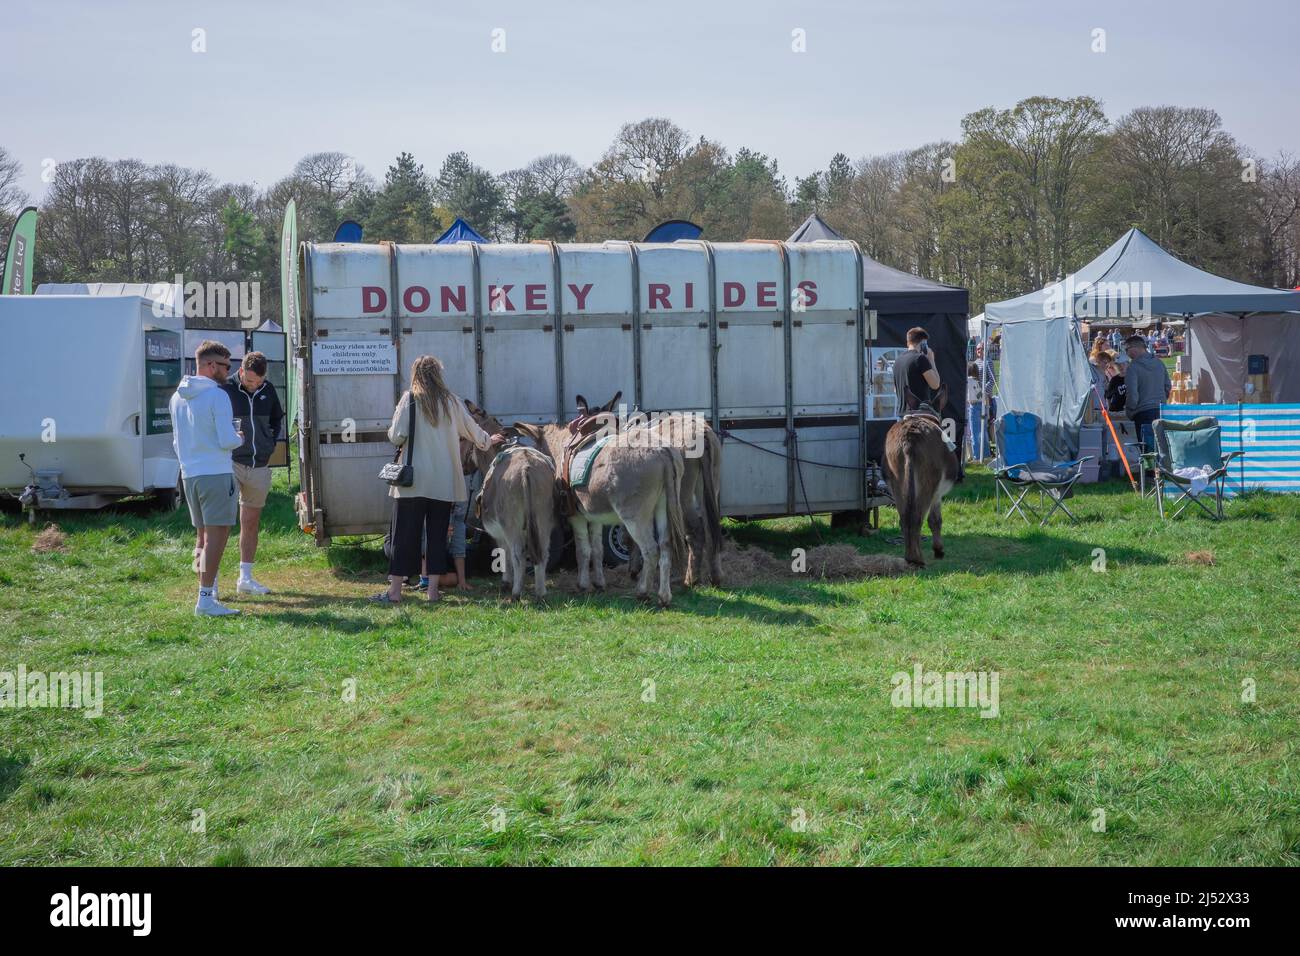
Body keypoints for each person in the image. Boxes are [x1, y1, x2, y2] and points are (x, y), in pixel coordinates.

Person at [374, 356, 503, 605]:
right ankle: (433, 592)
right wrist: (489, 441)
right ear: (438, 374)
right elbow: (473, 432)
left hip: (413, 483)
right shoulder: (452, 402)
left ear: (416, 374)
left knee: (404, 537)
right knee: (437, 538)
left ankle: (395, 592)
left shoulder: (409, 399)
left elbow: (396, 436)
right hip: (444, 483)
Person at [171, 340, 244, 616]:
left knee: (201, 537)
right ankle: (205, 599)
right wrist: (239, 438)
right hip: (215, 472)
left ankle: (207, 590)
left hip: (189, 473)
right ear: (211, 365)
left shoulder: (177, 396)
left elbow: (176, 442)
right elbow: (226, 439)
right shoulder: (217, 395)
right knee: (217, 536)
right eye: (226, 365)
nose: (230, 371)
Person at [222, 351, 283, 596]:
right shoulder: (226, 390)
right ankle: (210, 583)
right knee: (220, 523)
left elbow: (277, 418)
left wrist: (269, 441)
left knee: (251, 522)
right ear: (240, 371)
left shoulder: (268, 390)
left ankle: (245, 578)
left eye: (257, 382)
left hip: (259, 465)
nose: (253, 385)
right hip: (231, 462)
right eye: (248, 381)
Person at [1124, 334, 1171, 452]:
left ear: (1134, 348)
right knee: (1162, 450)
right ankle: (1161, 471)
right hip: (1160, 410)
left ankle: (1149, 471)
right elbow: (1167, 387)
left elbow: (1132, 395)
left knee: (1148, 453)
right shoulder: (1159, 363)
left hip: (1143, 413)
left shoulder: (1133, 367)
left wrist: (1129, 411)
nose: (1126, 353)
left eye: (1126, 349)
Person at [893, 326, 941, 413]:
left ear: (908, 342)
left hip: (902, 414)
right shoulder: (920, 359)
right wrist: (931, 360)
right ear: (923, 343)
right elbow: (935, 384)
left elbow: (895, 389)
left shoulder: (897, 360)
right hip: (920, 413)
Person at [965, 362, 984, 462]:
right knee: (982, 432)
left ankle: (976, 456)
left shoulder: (968, 380)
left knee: (974, 433)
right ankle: (985, 455)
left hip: (973, 405)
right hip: (981, 405)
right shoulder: (979, 381)